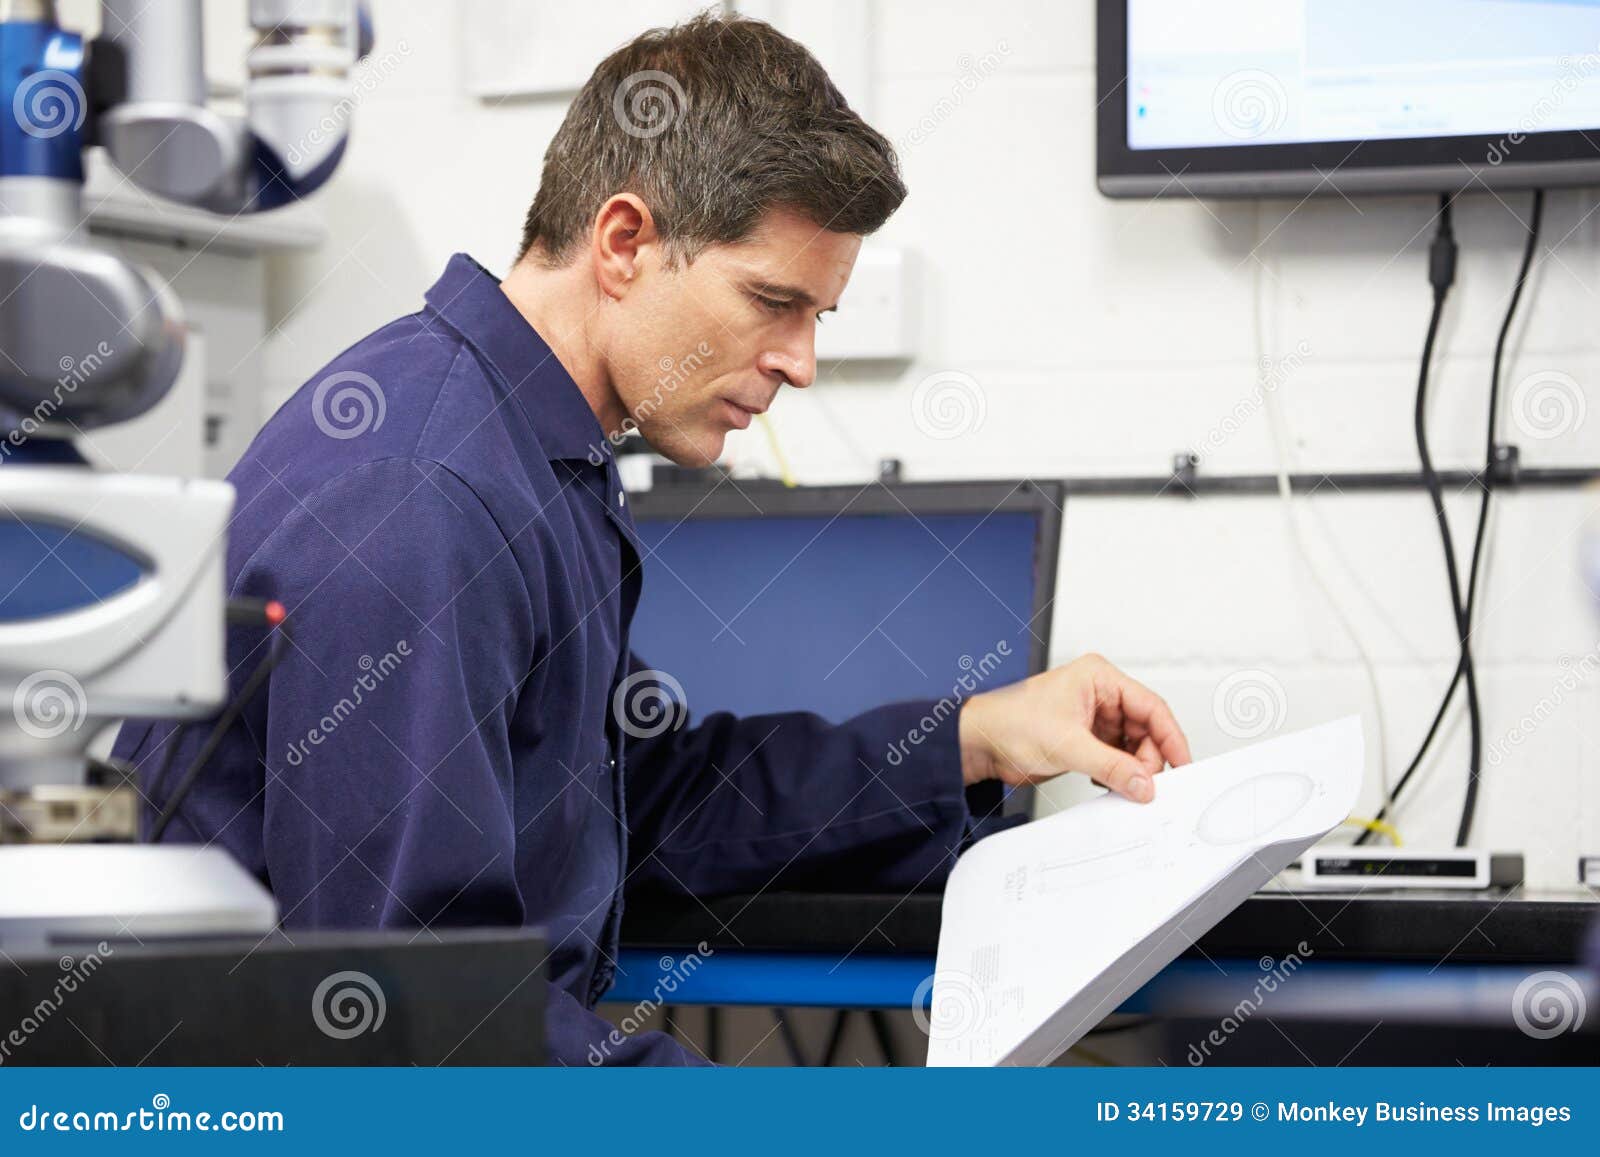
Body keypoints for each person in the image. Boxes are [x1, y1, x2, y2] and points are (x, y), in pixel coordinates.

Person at [113, 12, 1191, 1066]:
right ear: (623, 240)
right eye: (772, 301)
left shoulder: (532, 449)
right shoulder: (425, 494)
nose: (799, 362)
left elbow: (644, 796)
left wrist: (974, 737)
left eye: (819, 316)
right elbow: (418, 1015)